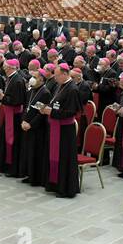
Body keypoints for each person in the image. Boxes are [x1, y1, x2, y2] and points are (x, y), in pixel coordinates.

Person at [40, 66, 86, 198]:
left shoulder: (72, 89)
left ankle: (65, 188)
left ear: (65, 74)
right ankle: (54, 184)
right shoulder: (61, 85)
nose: (55, 78)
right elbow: (56, 103)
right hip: (56, 126)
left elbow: (71, 112)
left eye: (57, 75)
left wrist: (51, 112)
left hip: (65, 130)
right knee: (54, 155)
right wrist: (47, 108)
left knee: (64, 157)